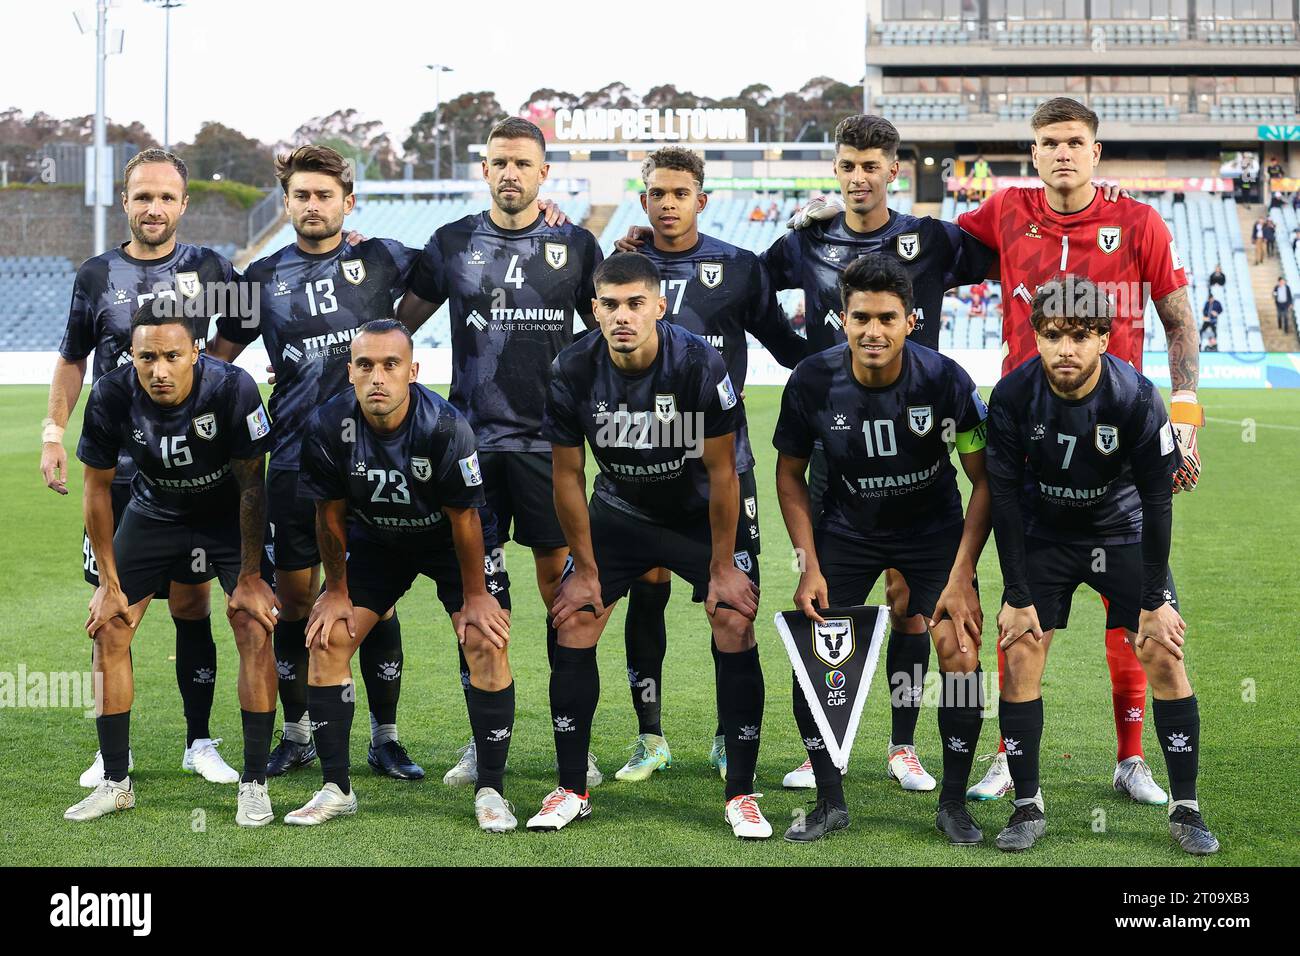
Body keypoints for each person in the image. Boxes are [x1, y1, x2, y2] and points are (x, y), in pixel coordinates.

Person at [956, 96, 1204, 805]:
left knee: (1136, 616)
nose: (1061, 153)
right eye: (1048, 143)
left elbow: (1179, 323)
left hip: (1120, 439)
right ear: (1032, 154)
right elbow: (935, 250)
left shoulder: (1137, 221)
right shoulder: (1005, 211)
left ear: (1095, 152)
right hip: (1030, 436)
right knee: (1026, 614)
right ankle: (1012, 760)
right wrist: (848, 230)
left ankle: (1131, 760)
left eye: (1074, 141)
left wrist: (1183, 416)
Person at [529, 252, 769, 838]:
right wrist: (583, 569)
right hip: (623, 507)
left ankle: (741, 792)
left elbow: (722, 474)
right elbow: (566, 476)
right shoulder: (571, 368)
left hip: (698, 510)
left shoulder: (698, 363)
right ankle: (571, 787)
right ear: (594, 309)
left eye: (636, 304)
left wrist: (721, 566)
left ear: (659, 307)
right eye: (610, 305)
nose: (623, 316)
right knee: (573, 619)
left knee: (734, 617)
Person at [395, 117, 604, 790]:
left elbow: (615, 328)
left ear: (545, 174)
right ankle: (482, 742)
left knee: (564, 597)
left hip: (548, 450)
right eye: (498, 162)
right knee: (474, 601)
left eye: (522, 162)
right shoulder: (451, 243)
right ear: (483, 171)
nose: (509, 172)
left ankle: (576, 741)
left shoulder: (575, 246)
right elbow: (398, 325)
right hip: (471, 451)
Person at [208, 145, 428, 781]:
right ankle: (298, 732)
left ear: (347, 202)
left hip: (376, 461)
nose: (312, 205)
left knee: (375, 601)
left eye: (324, 195)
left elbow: (450, 274)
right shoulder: (262, 277)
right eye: (301, 195)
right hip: (297, 461)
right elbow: (220, 360)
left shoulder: (380, 258)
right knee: (295, 600)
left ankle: (385, 738)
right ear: (287, 203)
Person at [985, 276, 1219, 856]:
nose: (1067, 349)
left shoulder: (1137, 396)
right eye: (1054, 334)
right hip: (1047, 533)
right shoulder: (1012, 396)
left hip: (1121, 530)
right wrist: (1017, 593)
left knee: (1163, 650)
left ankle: (1186, 807)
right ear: (1035, 335)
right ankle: (1026, 805)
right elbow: (1005, 499)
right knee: (1019, 651)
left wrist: (1156, 599)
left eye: (1082, 336)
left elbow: (1159, 501)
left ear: (1104, 338)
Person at [773, 255, 992, 844]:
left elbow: (986, 479)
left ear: (911, 321)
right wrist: (808, 564)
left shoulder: (945, 381)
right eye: (861, 317)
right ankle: (829, 799)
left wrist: (963, 571)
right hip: (847, 530)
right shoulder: (812, 381)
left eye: (887, 318)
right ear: (841, 319)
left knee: (961, 654)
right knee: (815, 659)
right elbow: (788, 476)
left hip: (933, 532)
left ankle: (953, 802)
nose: (874, 331)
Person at [609, 146, 808, 784]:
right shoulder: (622, 268)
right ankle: (650, 738)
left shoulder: (739, 268)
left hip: (720, 468)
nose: (667, 204)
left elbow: (787, 347)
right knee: (646, 597)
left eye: (679, 193)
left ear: (702, 198)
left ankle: (728, 735)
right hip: (637, 469)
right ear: (643, 200)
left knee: (731, 604)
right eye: (657, 193)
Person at [45, 148, 241, 788]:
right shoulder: (96, 275)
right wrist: (54, 432)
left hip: (192, 476)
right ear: (125, 202)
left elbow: (255, 324)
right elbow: (73, 358)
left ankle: (199, 741)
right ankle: (111, 753)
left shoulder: (211, 269)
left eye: (165, 198)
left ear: (184, 204)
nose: (153, 208)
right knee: (113, 611)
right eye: (141, 197)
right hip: (121, 470)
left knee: (192, 603)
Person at [289, 320, 516, 831]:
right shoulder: (328, 425)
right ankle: (336, 787)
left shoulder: (444, 426)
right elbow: (328, 515)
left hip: (452, 543)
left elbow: (467, 520)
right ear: (349, 372)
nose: (377, 377)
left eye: (390, 365)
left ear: (412, 371)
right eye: (365, 365)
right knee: (328, 639)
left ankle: (492, 791)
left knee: (486, 640)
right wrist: (338, 591)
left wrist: (477, 595)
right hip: (377, 541)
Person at [63, 299, 279, 825]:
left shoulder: (233, 387)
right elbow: (95, 490)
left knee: (253, 626)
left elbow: (253, 484)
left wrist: (249, 578)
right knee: (110, 628)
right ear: (131, 356)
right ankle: (116, 781)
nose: (158, 370)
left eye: (172, 356)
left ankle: (255, 782)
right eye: (146, 358)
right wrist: (110, 584)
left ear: (197, 352)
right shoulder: (112, 392)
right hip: (153, 508)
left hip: (226, 515)